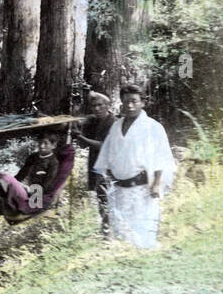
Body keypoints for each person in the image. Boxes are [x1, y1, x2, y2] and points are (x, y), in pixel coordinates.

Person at [92, 84, 175, 249]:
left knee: (142, 231)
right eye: (126, 102)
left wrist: (157, 183)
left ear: (142, 102)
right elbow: (107, 152)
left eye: (134, 101)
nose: (129, 105)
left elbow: (161, 157)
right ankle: (125, 255)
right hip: (119, 186)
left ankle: (145, 255)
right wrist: (102, 175)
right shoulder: (116, 126)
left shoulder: (152, 127)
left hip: (142, 187)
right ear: (121, 103)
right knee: (122, 231)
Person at [75, 91, 115, 236]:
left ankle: (110, 231)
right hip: (96, 163)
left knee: (109, 195)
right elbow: (82, 145)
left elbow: (104, 145)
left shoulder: (113, 122)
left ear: (108, 106)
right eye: (94, 106)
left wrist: (81, 137)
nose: (97, 108)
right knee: (101, 196)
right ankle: (106, 230)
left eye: (100, 105)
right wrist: (77, 128)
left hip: (111, 164)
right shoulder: (93, 121)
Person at [0, 132, 61, 211]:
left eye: (46, 143)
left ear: (53, 145)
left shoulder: (53, 163)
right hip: (20, 186)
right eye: (40, 142)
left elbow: (47, 185)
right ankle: (9, 190)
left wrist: (28, 189)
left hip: (32, 194)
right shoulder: (33, 156)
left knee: (5, 177)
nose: (42, 146)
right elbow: (22, 173)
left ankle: (12, 193)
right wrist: (16, 182)